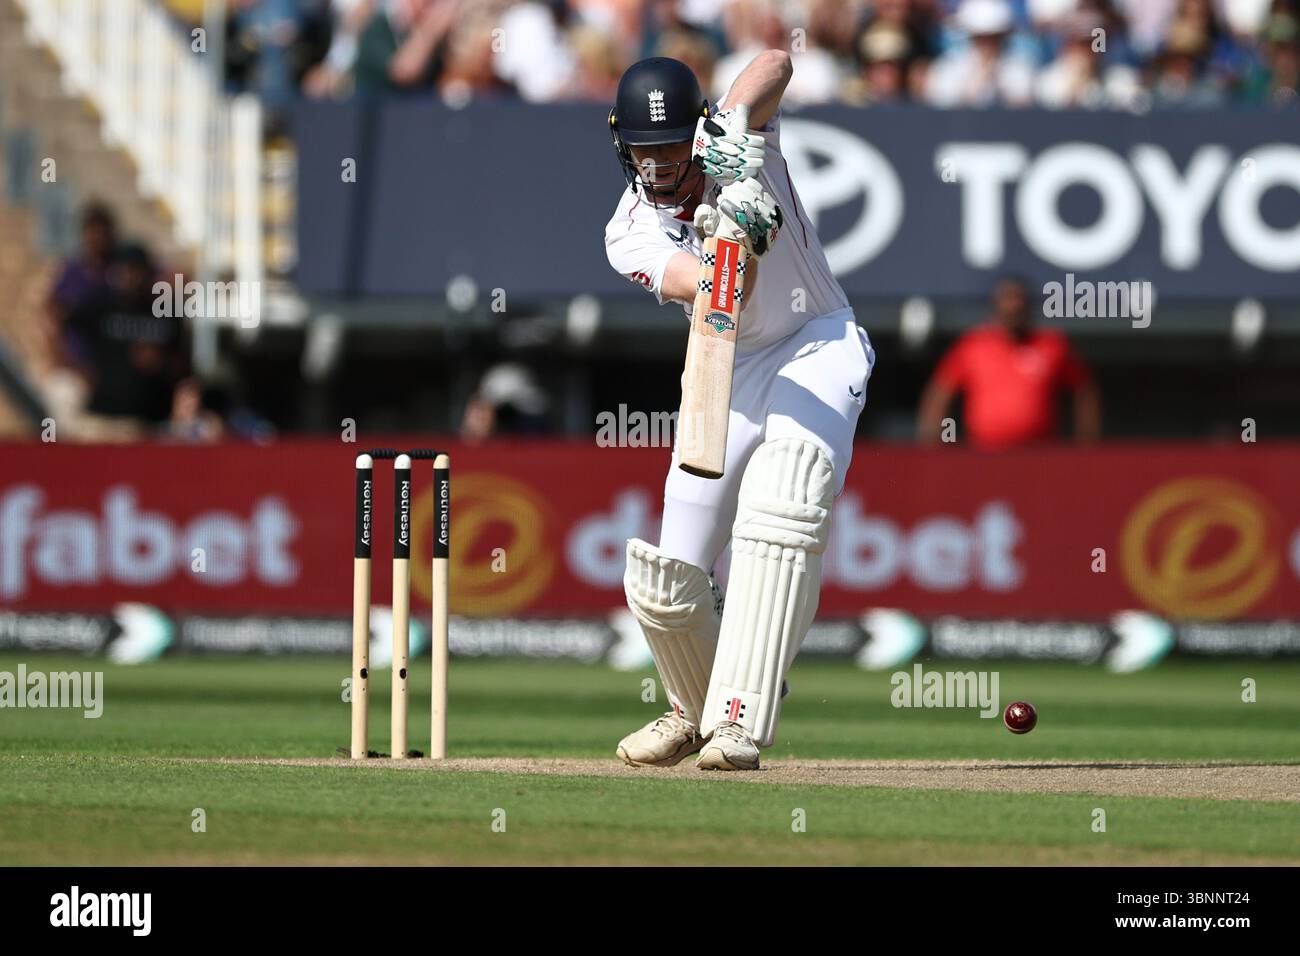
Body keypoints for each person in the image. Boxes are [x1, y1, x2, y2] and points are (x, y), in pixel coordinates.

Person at [604, 53, 875, 771]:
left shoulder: (736, 140)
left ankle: (738, 723)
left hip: (819, 341)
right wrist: (739, 239)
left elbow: (776, 63)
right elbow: (721, 297)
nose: (658, 163)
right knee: (666, 581)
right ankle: (690, 709)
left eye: (669, 146)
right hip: (724, 364)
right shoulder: (628, 232)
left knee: (780, 512)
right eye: (643, 149)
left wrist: (731, 121)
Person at [916, 277, 1100, 450]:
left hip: (1041, 454)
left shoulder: (1052, 344)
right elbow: (940, 394)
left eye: (1018, 300)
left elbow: (1083, 392)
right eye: (1008, 299)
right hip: (983, 454)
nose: (1014, 306)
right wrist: (942, 441)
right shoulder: (973, 345)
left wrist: (1084, 445)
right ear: (996, 305)